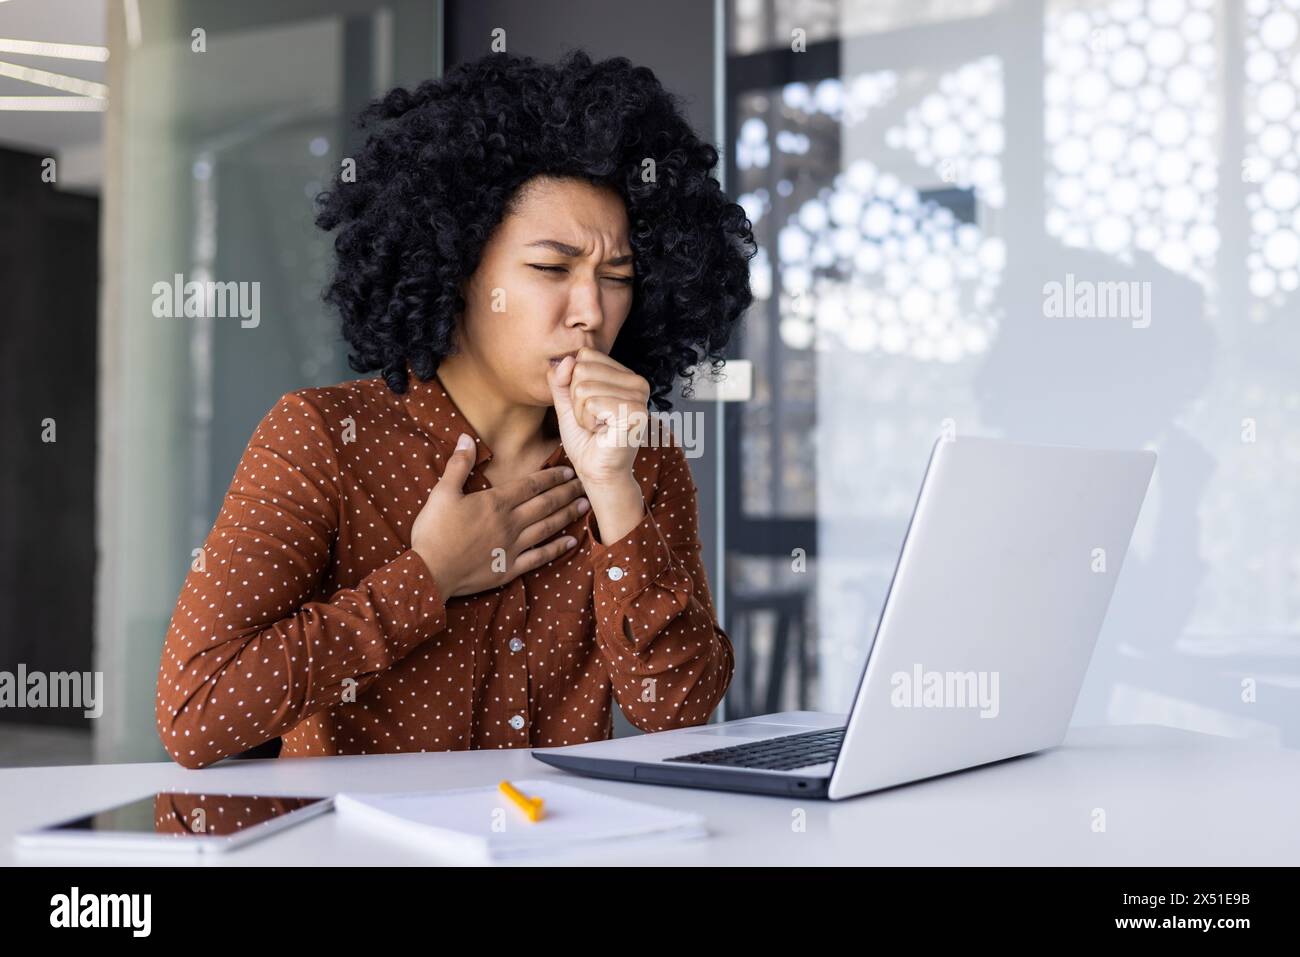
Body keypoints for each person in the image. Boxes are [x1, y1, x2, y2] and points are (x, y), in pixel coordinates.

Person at [155, 49, 757, 769]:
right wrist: (429, 575)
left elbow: (680, 708)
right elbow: (196, 713)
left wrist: (614, 491)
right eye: (550, 268)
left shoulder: (638, 455)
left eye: (617, 276)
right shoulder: (323, 438)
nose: (591, 310)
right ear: (459, 266)